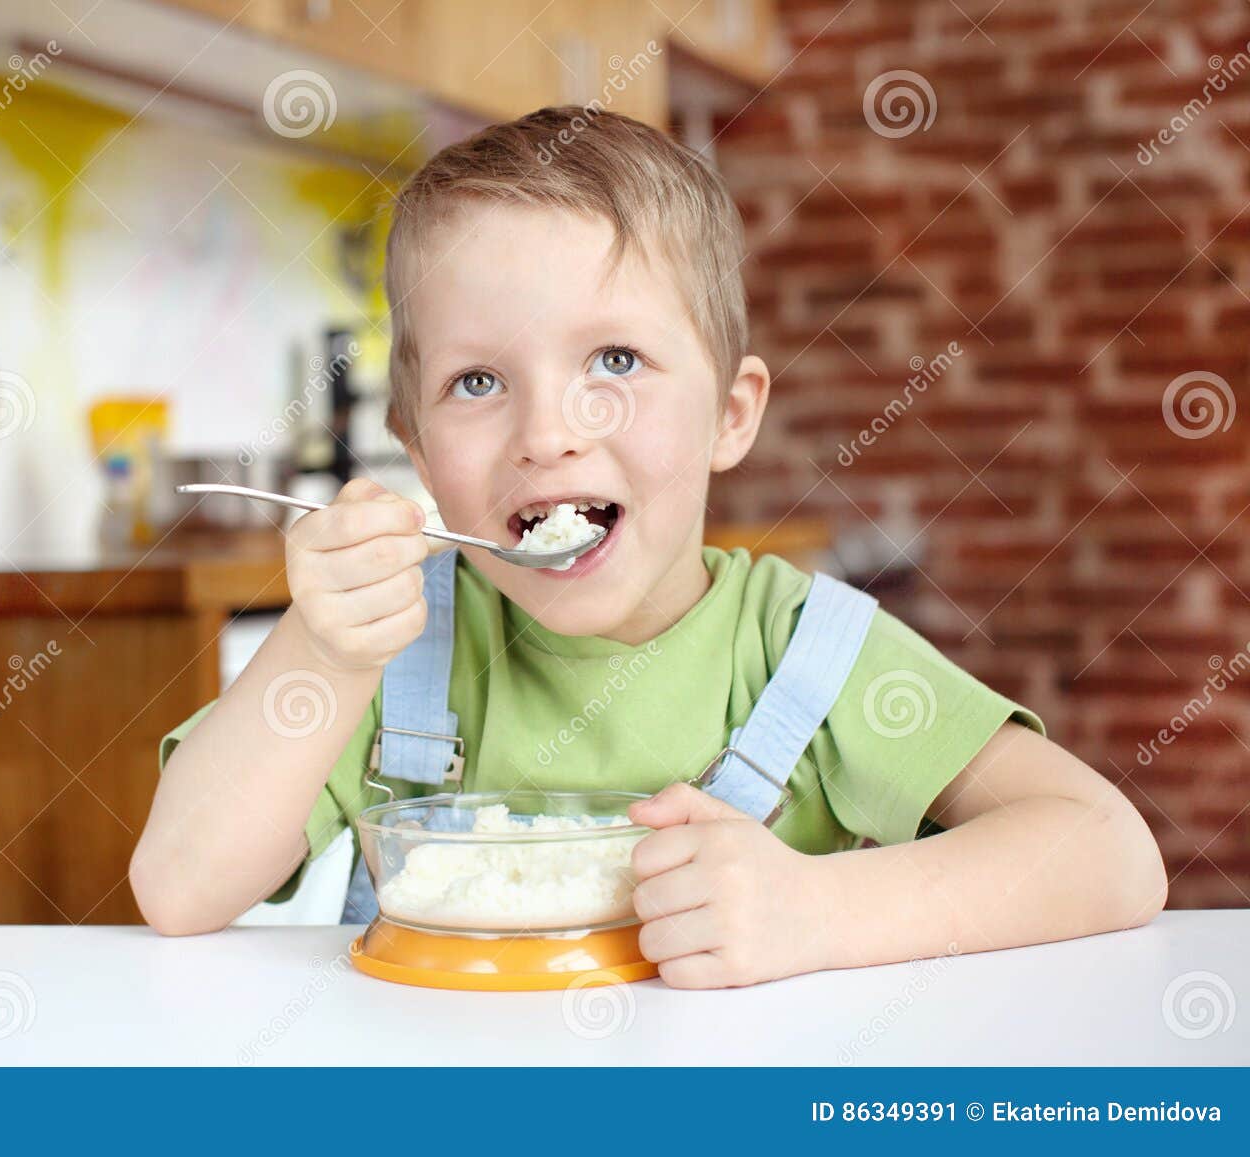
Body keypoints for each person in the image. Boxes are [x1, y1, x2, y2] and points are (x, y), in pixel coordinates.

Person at [131, 107, 1166, 988]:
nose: (549, 430)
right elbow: (178, 887)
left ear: (729, 412)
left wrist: (815, 911)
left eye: (614, 358)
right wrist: (323, 649)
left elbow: (1109, 852)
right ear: (416, 450)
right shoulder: (392, 655)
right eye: (478, 382)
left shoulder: (807, 652)